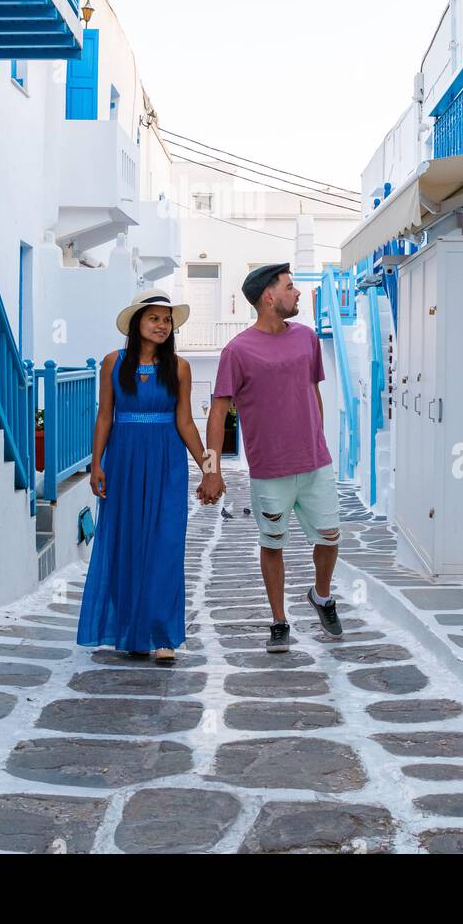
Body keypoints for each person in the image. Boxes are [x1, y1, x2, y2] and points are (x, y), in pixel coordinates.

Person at [200, 263, 342, 652]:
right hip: (269, 468)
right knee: (273, 544)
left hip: (315, 463)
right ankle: (279, 621)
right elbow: (218, 410)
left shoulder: (307, 338)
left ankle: (322, 596)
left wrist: (318, 440)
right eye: (290, 287)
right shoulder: (237, 350)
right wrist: (211, 470)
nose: (297, 294)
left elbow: (312, 390)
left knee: (330, 539)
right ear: (269, 296)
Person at [77, 289, 213, 663]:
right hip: (123, 461)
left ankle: (163, 634)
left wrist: (209, 468)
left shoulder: (180, 368)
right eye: (154, 318)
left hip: (167, 461)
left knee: (165, 545)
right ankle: (132, 632)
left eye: (167, 320)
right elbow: (105, 415)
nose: (162, 326)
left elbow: (186, 421)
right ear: (137, 323)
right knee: (125, 544)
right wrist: (97, 463)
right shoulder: (112, 363)